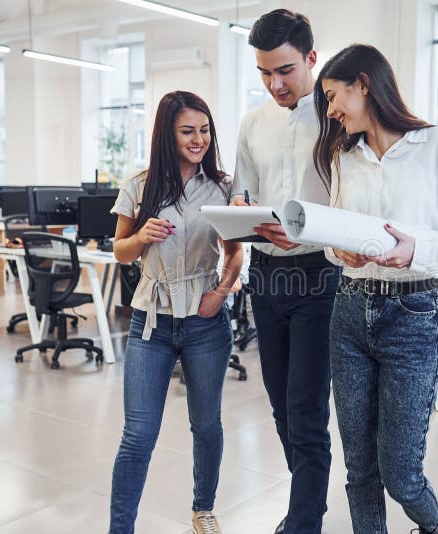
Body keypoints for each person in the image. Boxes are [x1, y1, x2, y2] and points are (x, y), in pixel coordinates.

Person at [313, 44, 438, 534]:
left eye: (333, 96)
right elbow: (335, 239)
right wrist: (340, 251)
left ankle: (433, 527)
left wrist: (417, 251)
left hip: (412, 312)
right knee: (360, 469)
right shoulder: (342, 154)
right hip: (350, 310)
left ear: (363, 84)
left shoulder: (435, 145)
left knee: (401, 474)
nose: (330, 111)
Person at [109, 90, 243, 534]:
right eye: (188, 131)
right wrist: (142, 236)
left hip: (207, 323)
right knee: (138, 436)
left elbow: (236, 253)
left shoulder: (224, 187)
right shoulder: (139, 186)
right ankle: (120, 527)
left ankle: (202, 510)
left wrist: (221, 292)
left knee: (206, 426)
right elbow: (120, 253)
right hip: (152, 324)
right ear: (167, 134)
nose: (198, 139)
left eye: (204, 130)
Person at [230, 9, 340, 534]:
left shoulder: (339, 117)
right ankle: (307, 506)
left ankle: (302, 524)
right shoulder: (253, 122)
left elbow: (354, 205)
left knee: (305, 411)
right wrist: (245, 218)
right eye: (264, 73)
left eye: (286, 71)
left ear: (311, 59)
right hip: (266, 278)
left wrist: (308, 231)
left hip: (321, 277)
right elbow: (241, 192)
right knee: (279, 408)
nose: (275, 84)